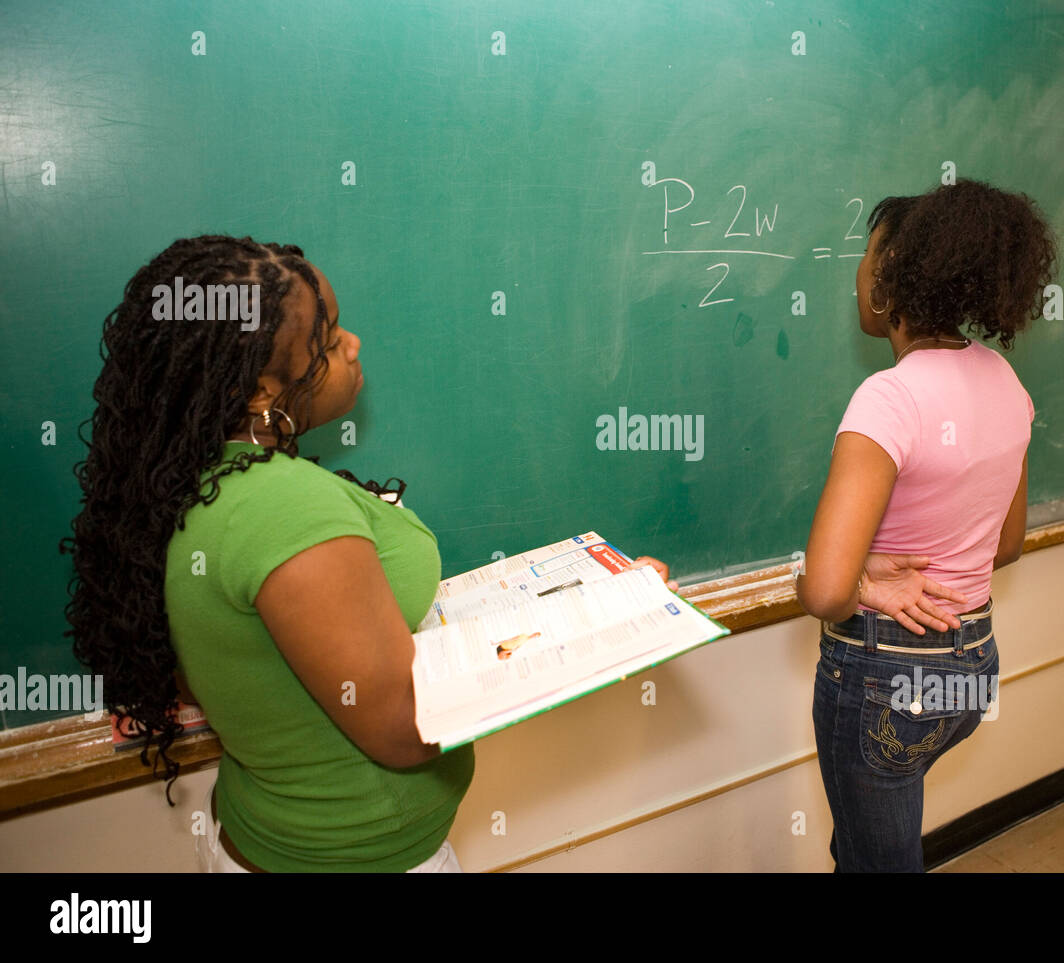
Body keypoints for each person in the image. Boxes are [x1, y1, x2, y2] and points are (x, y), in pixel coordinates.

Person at [61, 235, 674, 872]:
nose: (351, 345)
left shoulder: (189, 479)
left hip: (268, 839)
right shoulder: (286, 509)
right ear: (259, 394)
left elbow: (253, 664)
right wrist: (602, 627)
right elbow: (404, 732)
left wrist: (582, 596)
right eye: (325, 343)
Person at [795, 179, 1055, 872]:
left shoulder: (889, 399)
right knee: (864, 842)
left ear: (888, 286)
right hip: (971, 671)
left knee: (881, 858)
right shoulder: (1005, 380)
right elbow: (1005, 543)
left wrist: (862, 585)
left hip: (886, 680)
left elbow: (824, 590)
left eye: (867, 256)